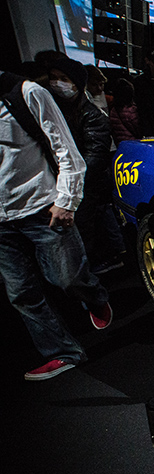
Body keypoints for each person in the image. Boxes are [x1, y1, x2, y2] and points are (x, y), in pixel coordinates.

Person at [0, 70, 112, 380]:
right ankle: (62, 353)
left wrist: (66, 200)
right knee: (21, 293)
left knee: (67, 279)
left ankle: (95, 296)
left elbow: (65, 148)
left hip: (42, 206)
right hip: (2, 222)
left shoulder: (27, 93)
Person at [47, 58, 124, 273]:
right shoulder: (54, 111)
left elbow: (95, 155)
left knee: (88, 229)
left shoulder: (92, 115)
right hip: (67, 184)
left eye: (64, 79)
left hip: (86, 185)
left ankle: (94, 268)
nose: (57, 83)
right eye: (54, 78)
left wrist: (71, 183)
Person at [109, 78, 141, 144]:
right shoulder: (131, 111)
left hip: (121, 143)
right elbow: (137, 129)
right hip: (133, 143)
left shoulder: (113, 110)